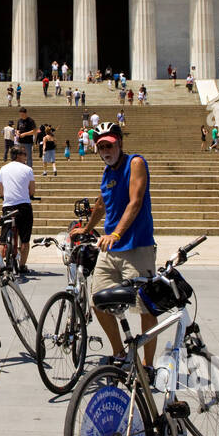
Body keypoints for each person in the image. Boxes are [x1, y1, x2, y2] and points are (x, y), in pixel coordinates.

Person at [81, 122, 158, 369]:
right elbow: (101, 204)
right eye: (101, 146)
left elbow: (135, 202)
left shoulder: (135, 163)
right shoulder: (106, 173)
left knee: (146, 307)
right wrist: (86, 227)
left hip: (136, 246)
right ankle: (120, 353)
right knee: (97, 301)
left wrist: (116, 233)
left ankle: (148, 364)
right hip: (110, 249)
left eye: (109, 145)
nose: (106, 150)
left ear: (120, 143)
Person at [0, 146, 36, 274]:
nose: (26, 156)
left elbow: (1, 190)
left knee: (3, 238)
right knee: (25, 239)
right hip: (24, 207)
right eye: (24, 154)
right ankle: (22, 266)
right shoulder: (28, 169)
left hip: (8, 206)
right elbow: (31, 191)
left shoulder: (3, 169)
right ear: (18, 155)